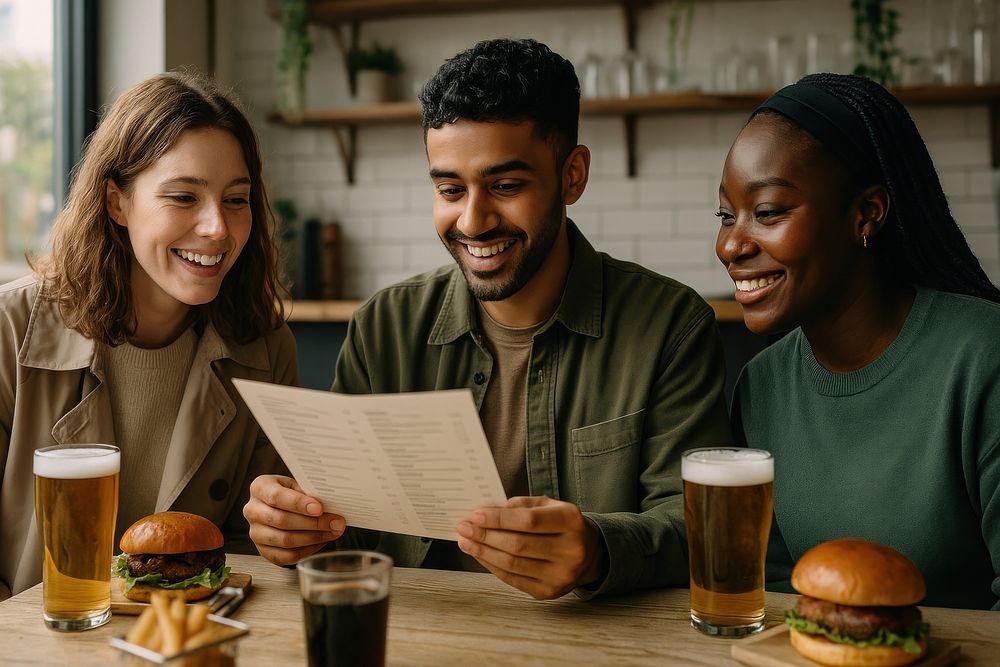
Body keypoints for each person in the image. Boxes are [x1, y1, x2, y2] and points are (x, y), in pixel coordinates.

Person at [244, 38, 732, 600]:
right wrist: (295, 527)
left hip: (594, 637)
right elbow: (346, 526)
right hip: (416, 631)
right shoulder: (384, 327)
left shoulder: (670, 326)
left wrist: (597, 550)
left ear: (572, 175)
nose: (473, 221)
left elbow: (698, 528)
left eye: (505, 186)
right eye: (450, 189)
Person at [0, 72, 298, 600]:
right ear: (117, 202)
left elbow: (252, 558)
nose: (218, 228)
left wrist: (290, 533)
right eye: (183, 197)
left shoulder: (266, 347)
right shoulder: (11, 328)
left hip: (194, 634)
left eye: (236, 199)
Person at [716, 73, 1000, 610]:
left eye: (768, 212)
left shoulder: (983, 357)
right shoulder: (761, 385)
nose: (731, 245)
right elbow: (775, 594)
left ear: (866, 213)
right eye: (727, 216)